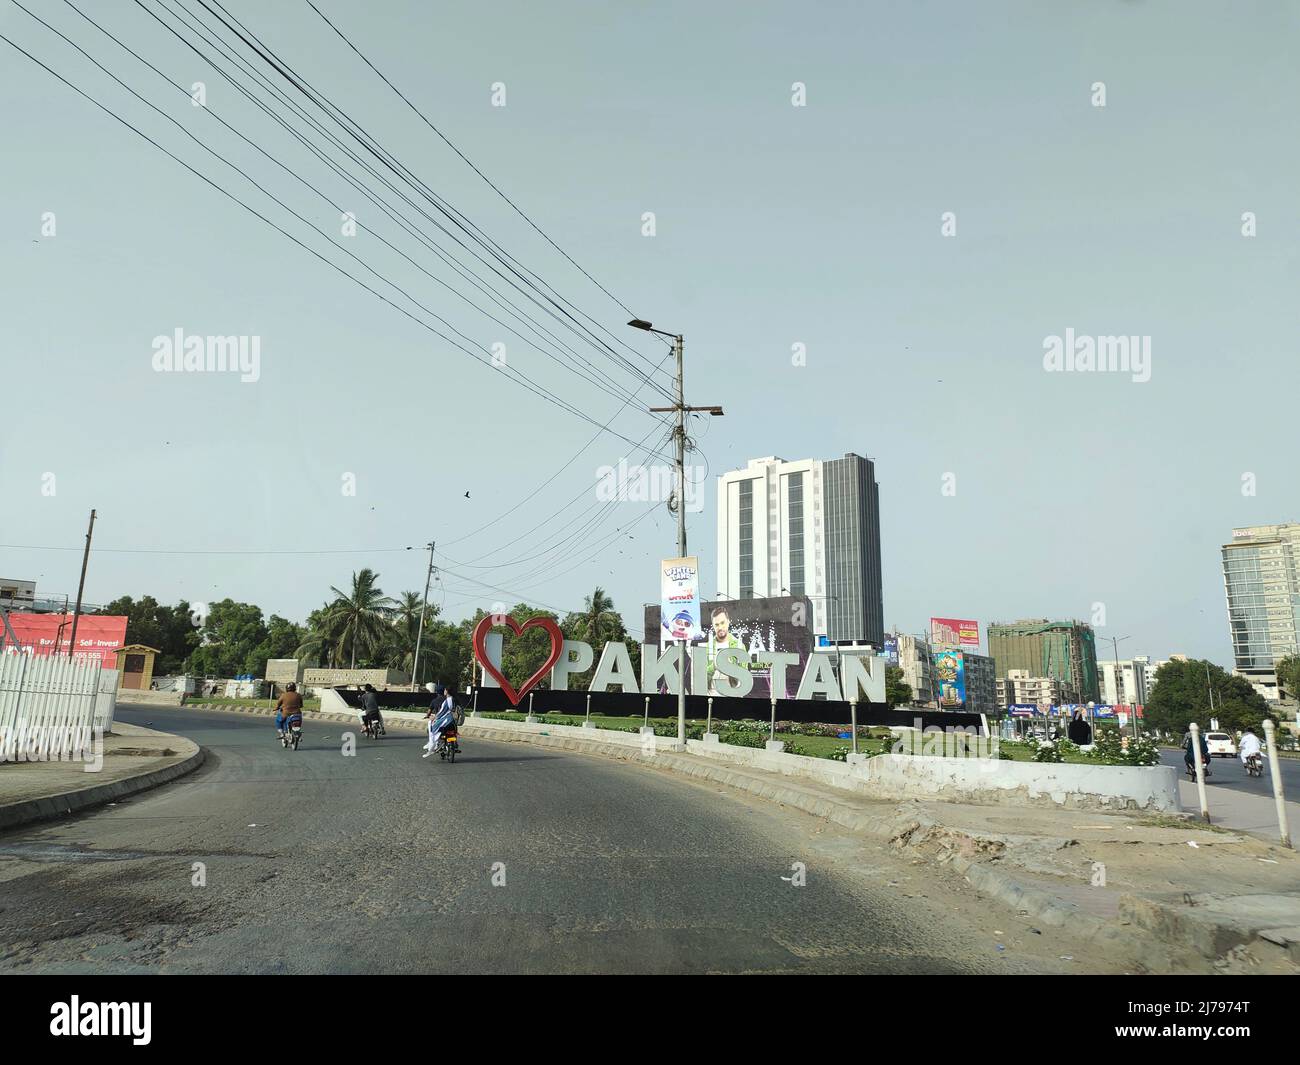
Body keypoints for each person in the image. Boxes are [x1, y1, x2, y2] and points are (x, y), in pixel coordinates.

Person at [424, 685, 457, 758]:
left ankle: (432, 745)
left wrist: (434, 717)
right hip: (453, 722)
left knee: (431, 726)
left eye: (445, 690)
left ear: (447, 691)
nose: (444, 691)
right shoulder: (453, 699)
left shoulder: (447, 700)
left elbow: (442, 712)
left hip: (446, 720)